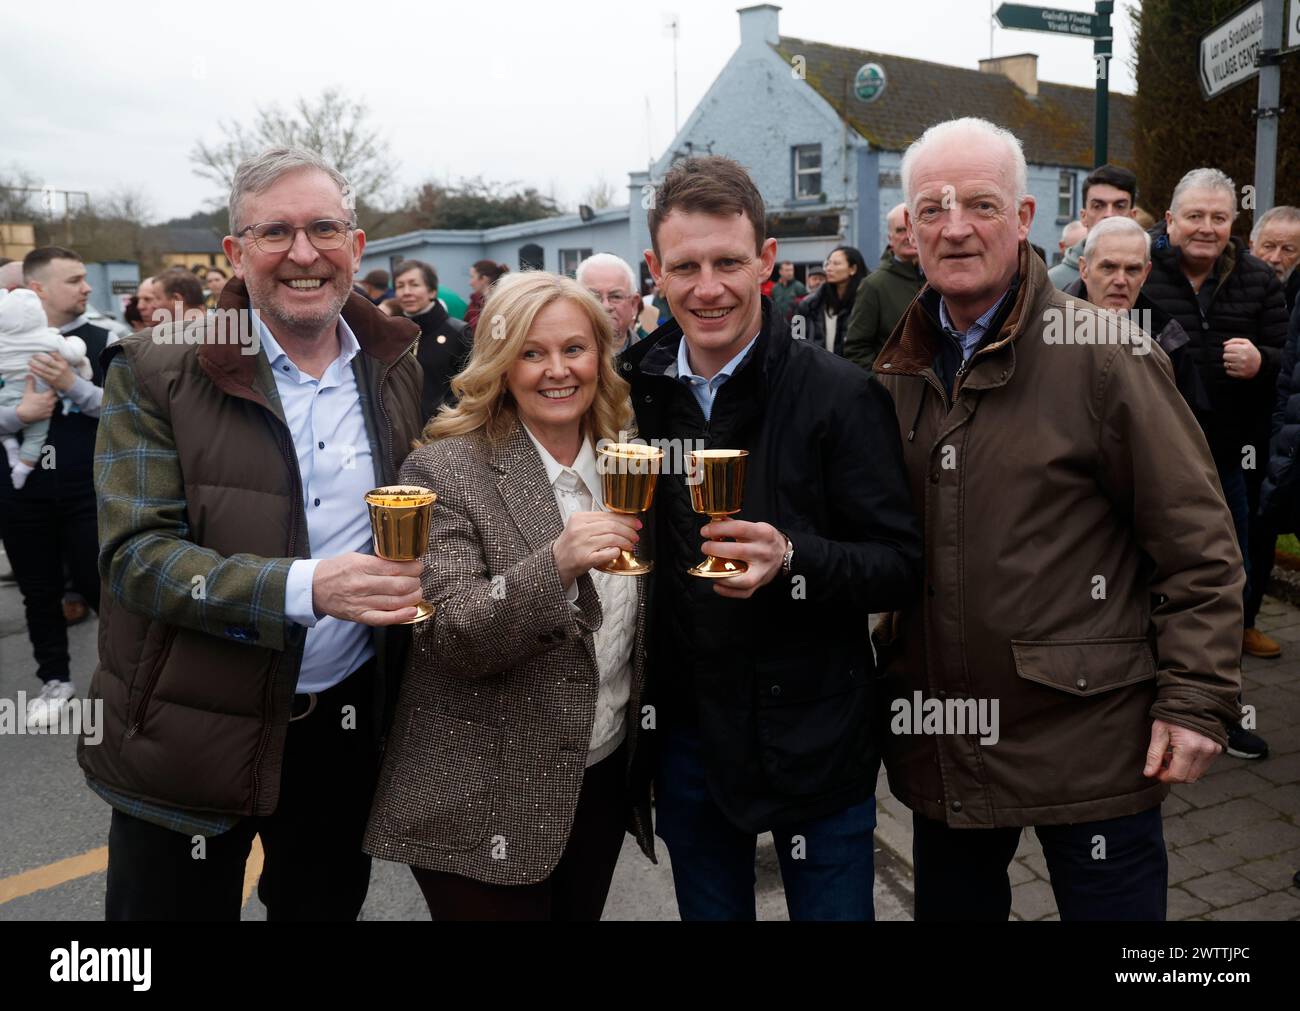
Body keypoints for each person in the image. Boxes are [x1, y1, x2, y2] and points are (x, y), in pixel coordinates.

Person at [873, 117, 1243, 922]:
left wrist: (1196, 698)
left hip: (1095, 744)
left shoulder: (1106, 355)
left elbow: (1200, 547)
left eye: (980, 203)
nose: (956, 226)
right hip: (947, 744)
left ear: (1025, 218)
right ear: (907, 226)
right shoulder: (894, 371)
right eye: (931, 208)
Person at [77, 146, 427, 921]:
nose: (303, 254)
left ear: (357, 247)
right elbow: (137, 558)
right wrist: (309, 587)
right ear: (236, 253)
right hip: (187, 735)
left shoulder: (395, 360)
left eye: (324, 228)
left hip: (341, 734)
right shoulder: (155, 366)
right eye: (275, 233)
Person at [624, 155, 921, 921]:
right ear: (656, 270)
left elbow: (899, 566)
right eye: (685, 266)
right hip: (689, 740)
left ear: (765, 260)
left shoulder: (840, 393)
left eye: (728, 261)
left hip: (817, 735)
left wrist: (795, 558)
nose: (708, 287)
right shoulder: (633, 399)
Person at [365, 271, 655, 920]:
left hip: (599, 776)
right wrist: (553, 564)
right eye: (531, 352)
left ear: (601, 358)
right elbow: (452, 635)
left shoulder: (628, 461)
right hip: (481, 790)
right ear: (500, 365)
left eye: (574, 349)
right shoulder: (446, 469)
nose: (557, 370)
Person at [1142, 168, 1289, 725]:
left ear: (1234, 223)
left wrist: (1262, 362)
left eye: (1219, 218)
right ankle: (1146, 696)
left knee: (1229, 577)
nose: (1206, 227)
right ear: (1171, 217)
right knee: (1149, 575)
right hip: (1150, 461)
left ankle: (1218, 707)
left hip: (1226, 459)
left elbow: (1287, 361)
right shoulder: (1142, 269)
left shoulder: (1258, 279)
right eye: (1195, 216)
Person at [1, 246, 108, 729]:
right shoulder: (4, 343)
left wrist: (74, 385)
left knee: (103, 584)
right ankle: (55, 681)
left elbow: (129, 411)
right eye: (75, 280)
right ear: (38, 289)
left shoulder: (103, 339)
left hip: (89, 489)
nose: (86, 287)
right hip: (21, 493)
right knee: (38, 591)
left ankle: (131, 677)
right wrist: (17, 416)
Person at [1070, 216, 1209, 421]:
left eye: (1132, 269)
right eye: (1108, 267)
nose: (1120, 281)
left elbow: (1191, 424)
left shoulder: (1166, 338)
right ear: (1084, 269)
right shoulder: (1048, 325)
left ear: (1145, 273)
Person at [844, 203, 925, 369]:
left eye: (912, 228)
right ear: (890, 238)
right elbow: (857, 348)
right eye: (900, 230)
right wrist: (883, 387)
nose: (908, 236)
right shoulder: (873, 285)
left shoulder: (938, 279)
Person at [393, 258, 470, 421]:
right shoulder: (392, 335)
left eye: (414, 285)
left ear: (432, 291)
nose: (406, 292)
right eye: (400, 286)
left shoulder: (458, 333)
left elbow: (471, 389)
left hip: (445, 431)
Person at [1049, 164, 1138, 290]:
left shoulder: (1150, 280)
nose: (1109, 214)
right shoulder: (1053, 284)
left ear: (1132, 216)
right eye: (1098, 206)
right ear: (1084, 216)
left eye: (1120, 206)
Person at [790, 245, 867, 355]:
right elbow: (796, 342)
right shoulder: (809, 304)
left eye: (836, 264)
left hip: (854, 369)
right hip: (818, 368)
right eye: (828, 263)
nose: (829, 268)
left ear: (853, 269)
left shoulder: (866, 302)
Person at [576, 252, 646, 353]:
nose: (605, 306)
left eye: (615, 296)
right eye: (594, 297)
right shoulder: (561, 362)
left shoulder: (654, 362)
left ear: (634, 305)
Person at [1250, 205, 1300, 312]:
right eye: (1268, 246)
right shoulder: (1226, 286)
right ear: (1252, 246)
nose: (1275, 258)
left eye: (1288, 249)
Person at [465, 260, 508, 333]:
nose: (470, 283)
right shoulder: (474, 303)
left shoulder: (500, 304)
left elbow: (498, 336)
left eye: (472, 277)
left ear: (484, 279)